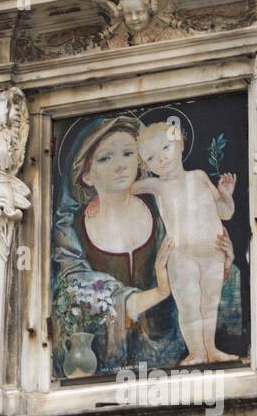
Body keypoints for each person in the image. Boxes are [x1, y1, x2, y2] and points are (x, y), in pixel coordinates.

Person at [51, 115, 236, 379]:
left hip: (171, 359)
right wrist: (160, 291)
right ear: (86, 175)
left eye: (128, 154)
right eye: (105, 158)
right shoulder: (72, 232)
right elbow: (73, 300)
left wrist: (227, 259)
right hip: (107, 370)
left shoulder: (164, 206)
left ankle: (205, 349)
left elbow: (208, 262)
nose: (120, 166)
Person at [132, 121, 240, 365]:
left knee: (209, 304)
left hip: (213, 254)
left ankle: (210, 349)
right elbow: (124, 189)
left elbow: (225, 213)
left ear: (179, 144)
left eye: (165, 148)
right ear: (146, 166)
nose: (161, 159)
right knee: (189, 305)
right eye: (150, 157)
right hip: (182, 256)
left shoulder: (199, 177)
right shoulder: (156, 185)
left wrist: (226, 195)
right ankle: (196, 352)